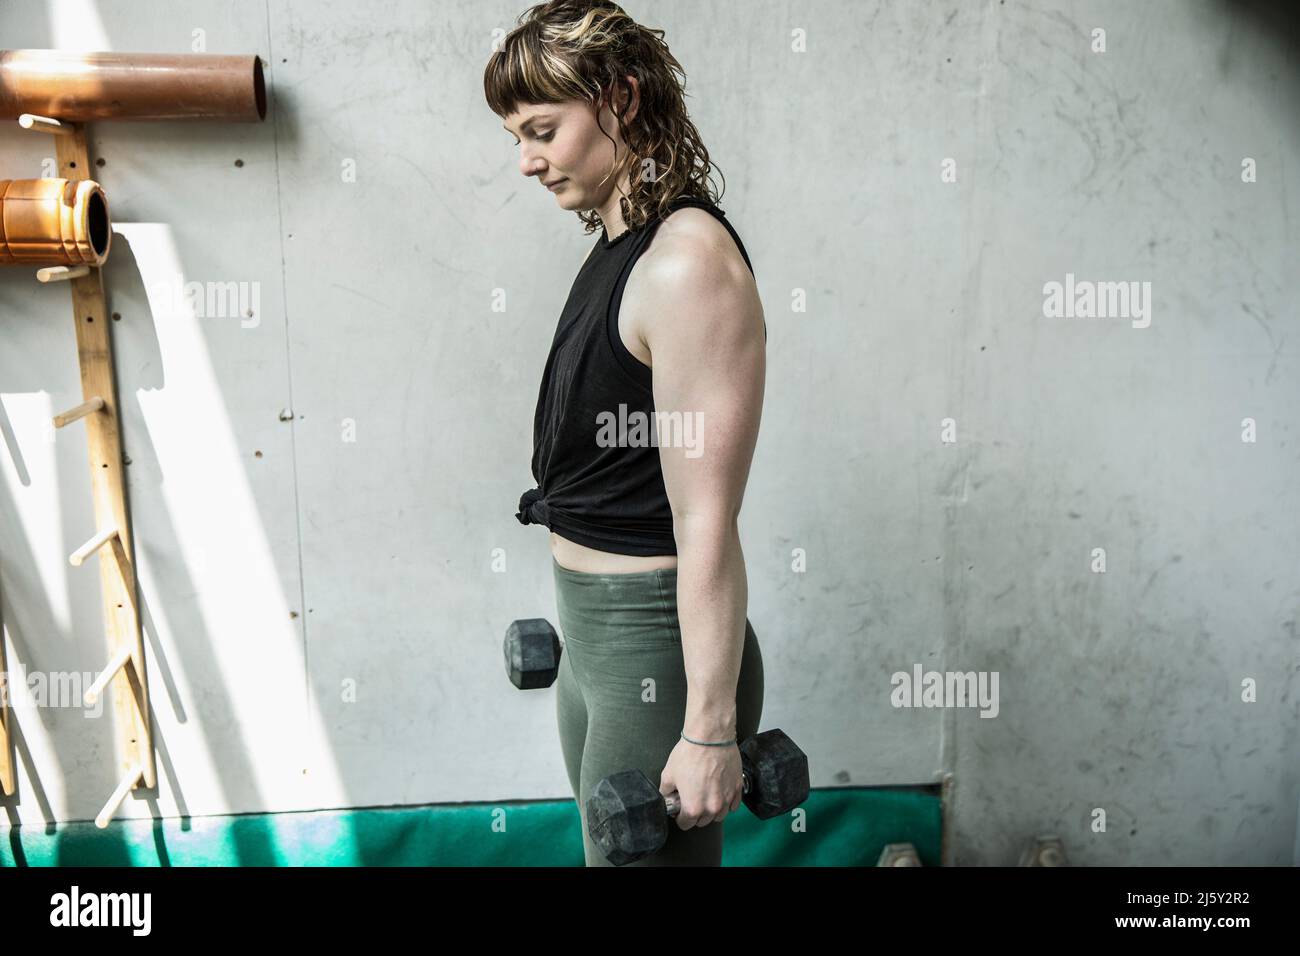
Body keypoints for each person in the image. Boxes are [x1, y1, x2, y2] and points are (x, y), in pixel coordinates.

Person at [484, 0, 768, 866]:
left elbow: (705, 519)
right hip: (593, 643)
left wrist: (711, 730)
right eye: (515, 136)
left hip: (655, 647)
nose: (526, 161)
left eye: (542, 130)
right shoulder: (622, 246)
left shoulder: (684, 264)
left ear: (622, 99)